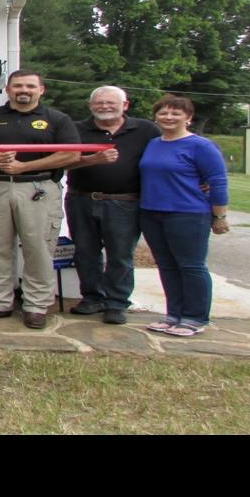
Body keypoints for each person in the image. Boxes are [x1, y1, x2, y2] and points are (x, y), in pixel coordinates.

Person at [0, 70, 79, 329]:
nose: (24, 90)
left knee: (38, 248)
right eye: (18, 86)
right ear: (9, 89)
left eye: (30, 86)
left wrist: (25, 167)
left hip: (38, 188)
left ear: (41, 89)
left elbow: (70, 154)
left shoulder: (56, 119)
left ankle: (36, 306)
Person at [61, 86, 160, 325]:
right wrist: (91, 160)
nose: (104, 106)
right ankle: (92, 298)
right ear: (90, 106)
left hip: (125, 202)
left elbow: (164, 157)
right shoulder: (76, 129)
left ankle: (116, 303)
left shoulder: (145, 130)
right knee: (85, 252)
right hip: (81, 198)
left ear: (125, 105)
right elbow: (61, 161)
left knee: (121, 255)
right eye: (99, 103)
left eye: (111, 103)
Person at [138, 95, 230, 337]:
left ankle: (195, 317)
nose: (168, 117)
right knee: (167, 265)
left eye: (176, 113)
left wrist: (219, 216)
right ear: (155, 116)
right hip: (151, 212)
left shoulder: (201, 146)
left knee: (191, 266)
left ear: (188, 118)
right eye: (163, 113)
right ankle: (174, 314)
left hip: (188, 213)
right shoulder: (154, 143)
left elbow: (218, 182)